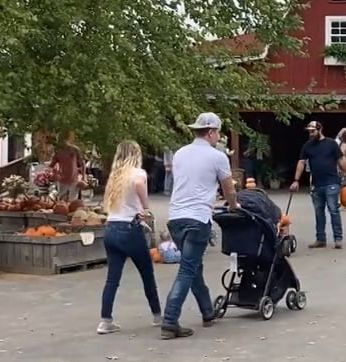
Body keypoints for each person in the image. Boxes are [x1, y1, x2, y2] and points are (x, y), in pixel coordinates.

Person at [161, 113, 239, 339]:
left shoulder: (180, 153)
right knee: (187, 269)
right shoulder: (217, 157)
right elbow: (228, 188)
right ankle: (170, 320)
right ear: (211, 132)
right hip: (198, 218)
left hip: (176, 217)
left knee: (194, 267)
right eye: (218, 133)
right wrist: (233, 205)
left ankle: (207, 312)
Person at [97, 140, 163, 335]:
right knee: (146, 273)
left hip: (111, 228)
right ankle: (157, 315)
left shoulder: (114, 176)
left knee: (112, 278)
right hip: (129, 228)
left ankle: (105, 320)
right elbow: (138, 183)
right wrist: (145, 206)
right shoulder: (137, 173)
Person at [289, 121, 346, 249]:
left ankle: (338, 238)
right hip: (317, 184)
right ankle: (320, 239)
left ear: (320, 130)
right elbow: (301, 162)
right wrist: (296, 180)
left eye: (313, 131)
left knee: (333, 210)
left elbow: (341, 160)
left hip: (332, 183)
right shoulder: (307, 146)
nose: (311, 134)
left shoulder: (331, 144)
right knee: (319, 212)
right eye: (309, 132)